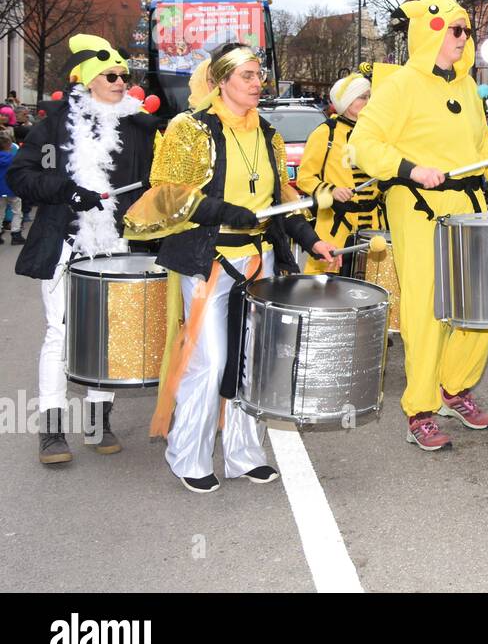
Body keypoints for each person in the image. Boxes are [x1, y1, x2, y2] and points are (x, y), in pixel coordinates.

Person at [125, 44, 334, 492]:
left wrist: (314, 240)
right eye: (247, 76)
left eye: (260, 75)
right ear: (221, 81)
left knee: (251, 363)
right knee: (210, 359)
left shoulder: (270, 134)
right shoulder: (190, 128)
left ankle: (243, 455)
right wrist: (226, 211)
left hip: (260, 265)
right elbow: (167, 194)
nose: (258, 83)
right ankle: (188, 455)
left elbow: (282, 205)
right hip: (209, 261)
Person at [350, 0, 488, 453]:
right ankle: (419, 409)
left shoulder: (467, 87)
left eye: (468, 32)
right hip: (418, 205)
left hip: (468, 204)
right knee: (427, 307)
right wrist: (409, 168)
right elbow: (364, 144)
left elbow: (481, 144)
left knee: (477, 304)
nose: (465, 40)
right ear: (431, 31)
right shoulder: (401, 85)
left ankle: (454, 387)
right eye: (456, 31)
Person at [8, 35, 159, 465]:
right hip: (65, 240)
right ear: (89, 79)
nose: (120, 82)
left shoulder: (138, 127)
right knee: (60, 332)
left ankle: (98, 422)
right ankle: (52, 432)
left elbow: (154, 185)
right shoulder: (55, 125)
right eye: (111, 75)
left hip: (117, 244)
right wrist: (68, 191)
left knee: (108, 334)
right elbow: (21, 175)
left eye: (123, 76)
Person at [295, 72, 385, 274]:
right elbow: (305, 178)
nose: (368, 102)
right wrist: (331, 190)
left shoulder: (376, 133)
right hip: (336, 226)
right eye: (362, 97)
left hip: (373, 226)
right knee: (332, 291)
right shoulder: (326, 133)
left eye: (370, 96)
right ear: (347, 101)